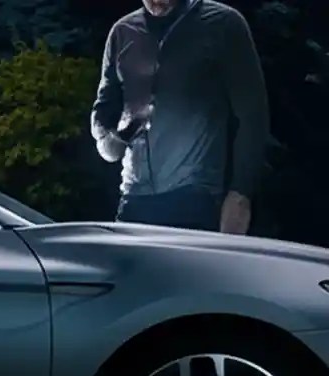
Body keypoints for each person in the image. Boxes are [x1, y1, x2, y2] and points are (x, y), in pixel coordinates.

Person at [91, 0, 270, 234]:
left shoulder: (223, 24)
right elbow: (103, 110)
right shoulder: (122, 32)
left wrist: (240, 196)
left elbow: (253, 115)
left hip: (196, 199)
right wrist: (111, 139)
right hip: (133, 198)